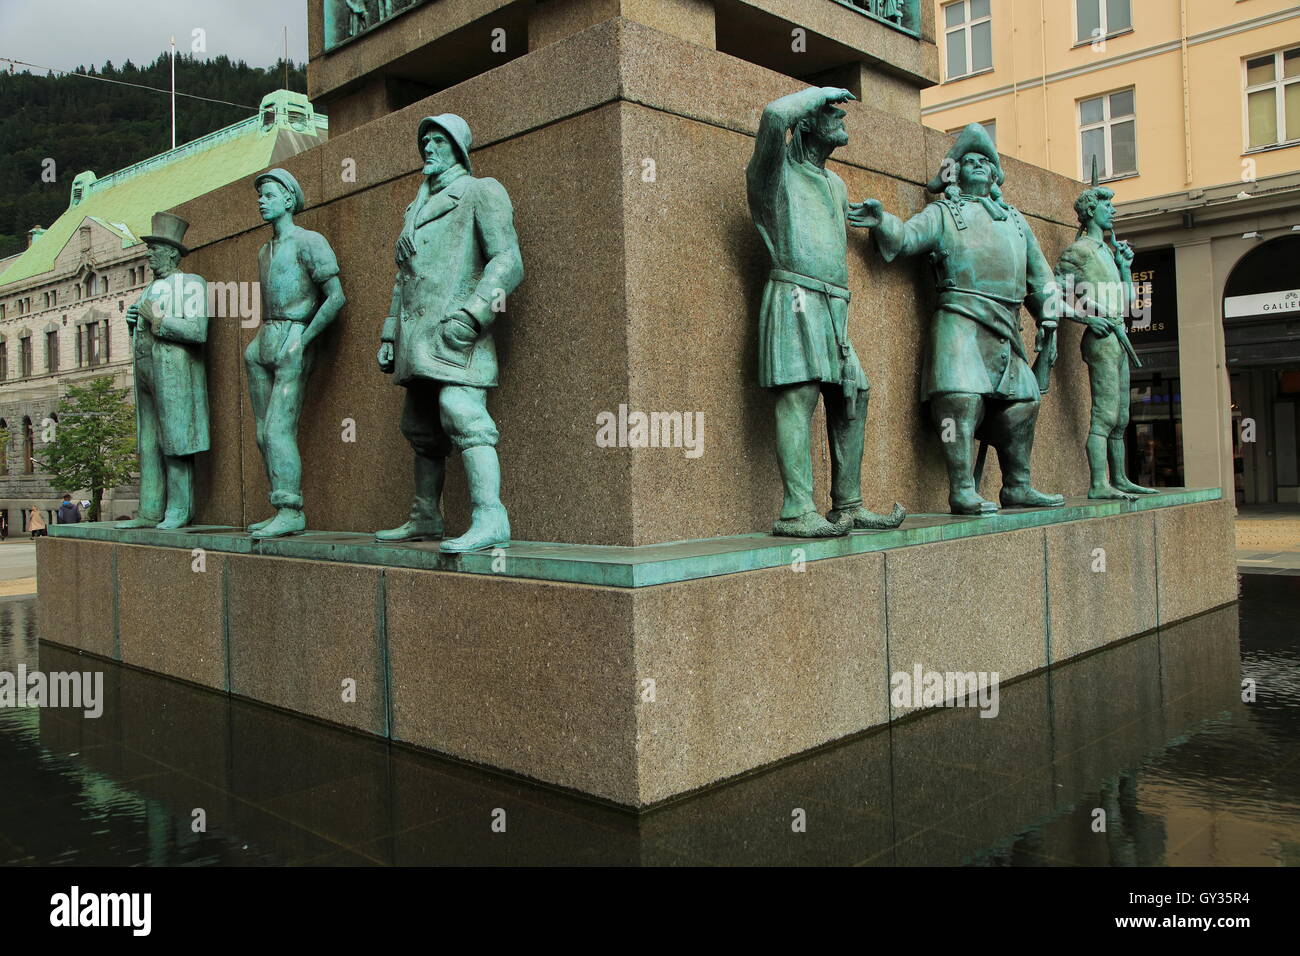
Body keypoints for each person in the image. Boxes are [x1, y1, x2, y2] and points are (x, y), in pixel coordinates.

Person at [853, 122, 1066, 515]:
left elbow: (1043, 278)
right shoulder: (943, 212)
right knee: (959, 400)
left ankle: (1017, 485)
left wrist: (1048, 314)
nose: (979, 165)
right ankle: (962, 488)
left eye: (986, 160)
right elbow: (906, 238)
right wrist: (882, 221)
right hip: (960, 319)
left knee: (1024, 401)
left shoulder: (1016, 222)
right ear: (955, 172)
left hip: (1006, 326)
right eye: (969, 161)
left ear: (996, 174)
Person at [746, 86, 906, 537]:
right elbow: (773, 115)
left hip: (834, 304)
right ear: (807, 121)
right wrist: (818, 92)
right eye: (830, 112)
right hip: (794, 296)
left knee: (855, 393)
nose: (841, 117)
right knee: (799, 393)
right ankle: (797, 509)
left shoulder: (835, 184)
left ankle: (847, 504)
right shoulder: (774, 171)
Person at [375, 114, 524, 552]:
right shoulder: (413, 210)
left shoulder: (480, 191)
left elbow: (508, 261)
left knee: (462, 413)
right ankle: (426, 515)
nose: (428, 147)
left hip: (456, 331)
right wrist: (389, 335)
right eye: (425, 140)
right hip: (416, 337)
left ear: (458, 147)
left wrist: (473, 316)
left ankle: (491, 516)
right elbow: (403, 279)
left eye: (438, 140)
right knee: (419, 427)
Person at [245, 168, 346, 539]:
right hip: (265, 339)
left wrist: (302, 340)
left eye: (269, 195)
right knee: (262, 434)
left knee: (277, 430)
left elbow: (336, 297)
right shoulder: (264, 250)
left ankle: (291, 509)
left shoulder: (309, 241)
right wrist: (255, 347)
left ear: (289, 200)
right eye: (260, 196)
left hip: (293, 334)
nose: (262, 201)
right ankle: (278, 504)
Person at [1055, 185, 1158, 499]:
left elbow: (1127, 304)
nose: (1113, 211)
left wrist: (1125, 268)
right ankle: (1099, 483)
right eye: (1106, 206)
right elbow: (1052, 295)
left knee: (1122, 417)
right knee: (1105, 415)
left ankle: (1120, 478)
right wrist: (1088, 319)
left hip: (1119, 337)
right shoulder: (1079, 251)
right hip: (1101, 338)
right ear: (1090, 211)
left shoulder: (1108, 253)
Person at [116, 212, 210, 531]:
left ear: (171, 252)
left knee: (175, 441)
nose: (148, 254)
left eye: (154, 248)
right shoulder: (149, 289)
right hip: (145, 371)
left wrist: (157, 320)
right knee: (148, 443)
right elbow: (144, 325)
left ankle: (180, 508)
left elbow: (197, 331)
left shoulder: (191, 284)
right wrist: (133, 323)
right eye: (149, 248)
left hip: (174, 373)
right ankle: (150, 509)